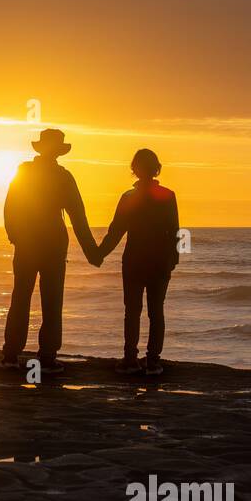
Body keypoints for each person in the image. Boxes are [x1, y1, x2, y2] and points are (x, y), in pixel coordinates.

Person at [0, 128, 99, 373]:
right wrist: (93, 253)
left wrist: (15, 237)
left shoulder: (24, 173)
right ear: (58, 152)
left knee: (21, 298)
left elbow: (10, 207)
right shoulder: (62, 177)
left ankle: (11, 355)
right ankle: (47, 357)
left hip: (27, 244)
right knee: (52, 302)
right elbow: (78, 216)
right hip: (53, 245)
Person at [90, 148, 179, 376]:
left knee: (132, 310)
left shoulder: (129, 198)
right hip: (158, 262)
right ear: (156, 168)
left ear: (135, 170)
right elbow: (176, 232)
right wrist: (173, 258)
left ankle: (130, 359)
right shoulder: (168, 196)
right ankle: (152, 361)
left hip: (134, 261)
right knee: (155, 311)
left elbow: (116, 231)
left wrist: (99, 253)